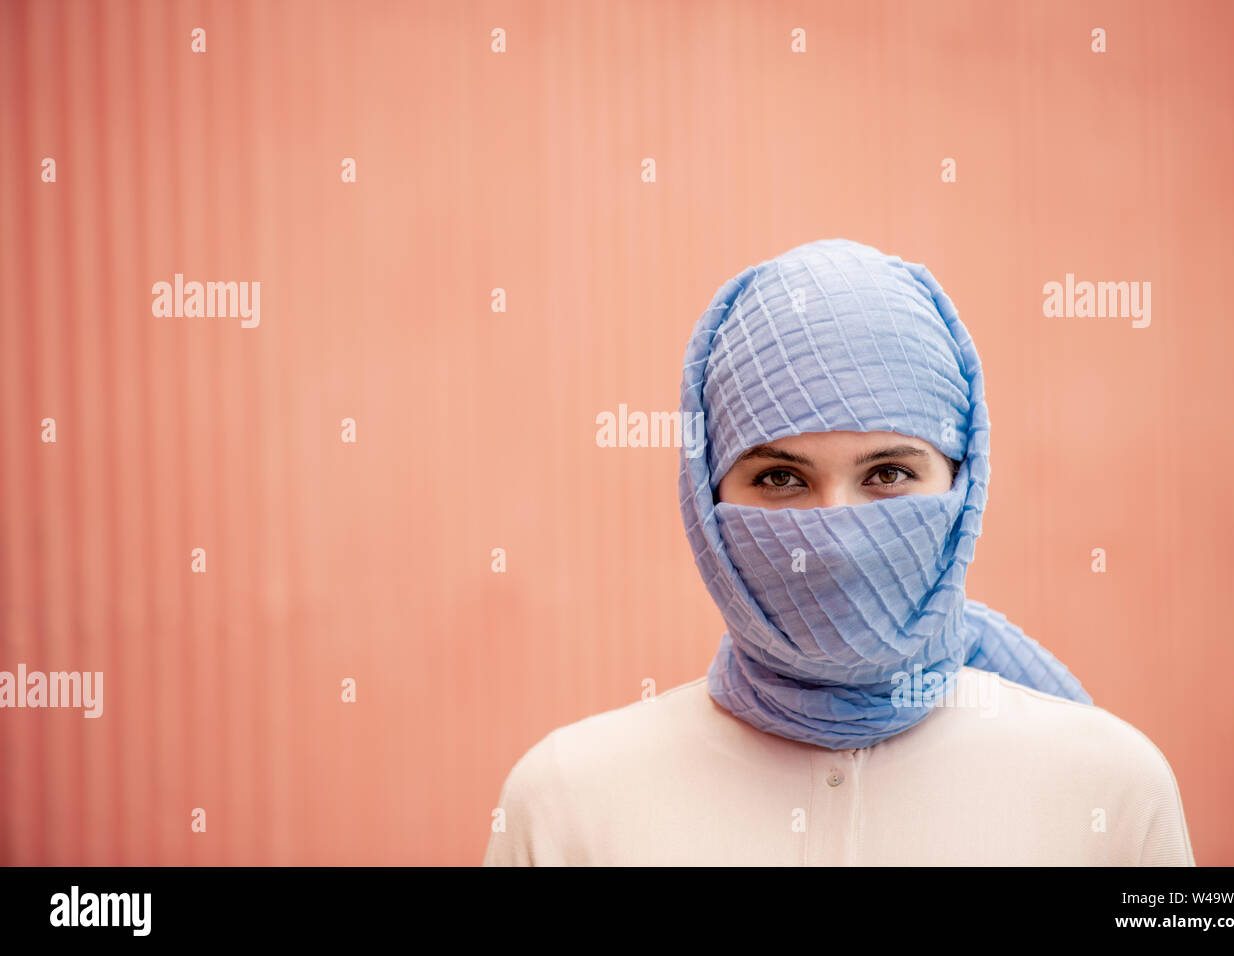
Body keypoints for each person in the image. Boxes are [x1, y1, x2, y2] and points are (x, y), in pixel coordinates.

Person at [482, 239, 1195, 866]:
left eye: (888, 475)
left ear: (963, 484)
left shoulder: (1111, 793)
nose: (836, 536)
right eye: (780, 478)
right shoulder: (565, 805)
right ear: (706, 500)